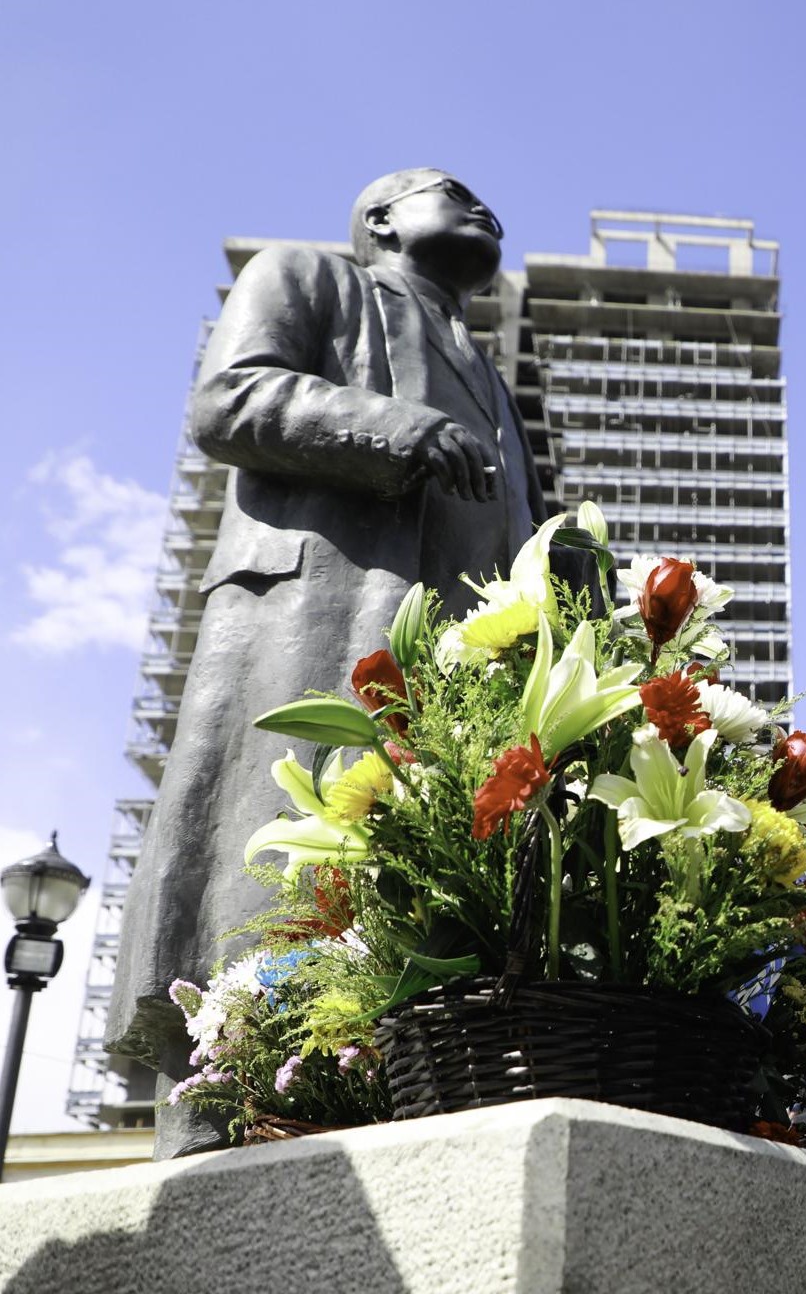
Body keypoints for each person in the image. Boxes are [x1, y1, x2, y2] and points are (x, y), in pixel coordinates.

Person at [108, 169, 548, 1157]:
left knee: (424, 895)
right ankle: (234, 1097)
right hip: (319, 621)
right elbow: (228, 398)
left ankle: (378, 1092)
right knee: (272, 859)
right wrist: (401, 428)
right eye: (453, 190)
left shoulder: (495, 383)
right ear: (383, 219)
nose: (485, 207)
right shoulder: (306, 274)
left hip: (455, 679)